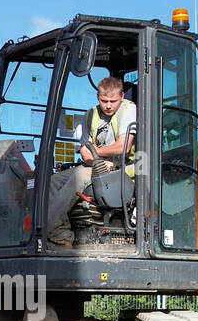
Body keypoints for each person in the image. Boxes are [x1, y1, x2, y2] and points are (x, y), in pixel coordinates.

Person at [46, 76, 137, 245]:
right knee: (53, 181)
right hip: (96, 165)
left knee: (79, 176)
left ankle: (54, 229)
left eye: (113, 101)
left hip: (123, 168)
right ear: (98, 97)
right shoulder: (91, 115)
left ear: (122, 96)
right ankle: (61, 231)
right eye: (104, 101)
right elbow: (84, 150)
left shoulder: (129, 109)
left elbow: (122, 146)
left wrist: (96, 153)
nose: (108, 106)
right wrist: (94, 160)